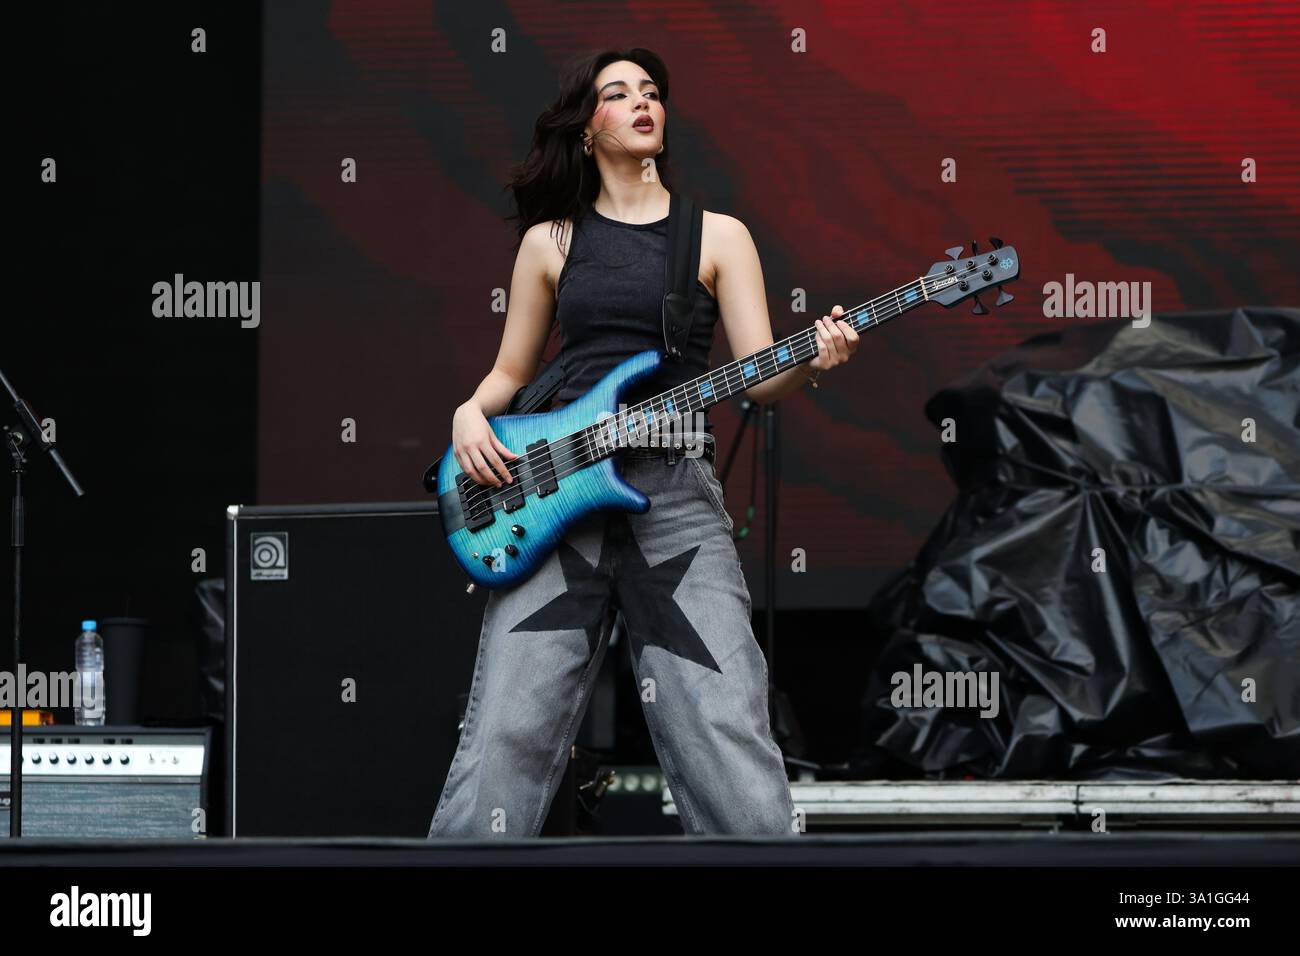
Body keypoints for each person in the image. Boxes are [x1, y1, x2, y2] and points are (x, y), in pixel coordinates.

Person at [428, 47, 858, 838]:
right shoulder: (551, 241)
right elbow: (509, 372)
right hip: (555, 492)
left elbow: (760, 378)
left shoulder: (719, 236)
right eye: (618, 93)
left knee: (727, 725)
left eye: (652, 92)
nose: (641, 103)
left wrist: (814, 362)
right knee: (504, 734)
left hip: (675, 495)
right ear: (587, 128)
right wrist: (466, 416)